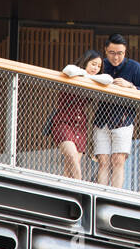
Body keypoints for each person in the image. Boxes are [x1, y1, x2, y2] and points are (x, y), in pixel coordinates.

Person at [93, 35, 140, 189]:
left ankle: (115, 195)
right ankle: (102, 193)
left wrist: (129, 86)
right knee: (103, 161)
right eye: (112, 53)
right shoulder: (100, 65)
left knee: (118, 160)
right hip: (101, 120)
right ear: (105, 50)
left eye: (120, 53)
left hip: (124, 120)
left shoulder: (135, 67)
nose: (116, 57)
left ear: (125, 52)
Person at [47, 50, 111, 181]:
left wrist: (89, 78)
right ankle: (80, 185)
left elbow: (108, 79)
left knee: (69, 166)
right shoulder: (73, 73)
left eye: (99, 66)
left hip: (80, 126)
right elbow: (68, 69)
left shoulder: (93, 80)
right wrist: (86, 75)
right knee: (72, 157)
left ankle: (66, 191)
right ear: (86, 61)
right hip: (63, 122)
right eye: (93, 64)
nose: (96, 68)